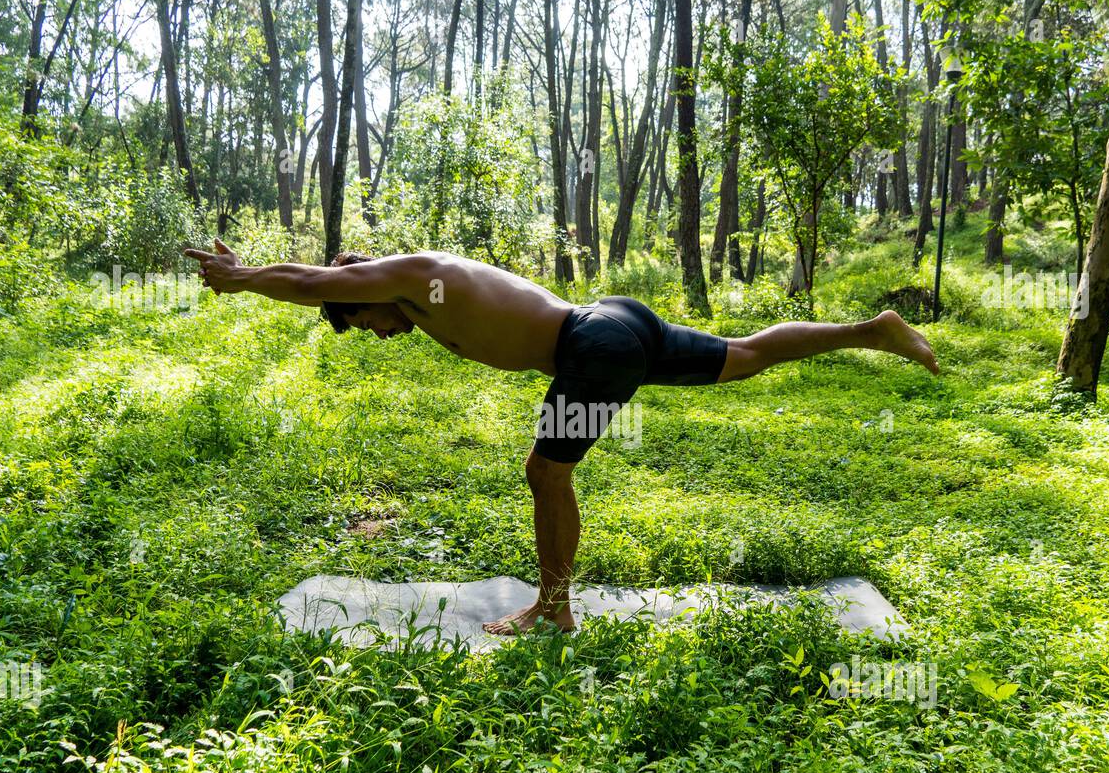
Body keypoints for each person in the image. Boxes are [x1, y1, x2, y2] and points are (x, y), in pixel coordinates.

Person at [184, 240, 939, 635]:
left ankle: (555, 606)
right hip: (614, 323)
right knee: (743, 356)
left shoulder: (408, 274)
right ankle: (871, 331)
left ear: (364, 296)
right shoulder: (423, 285)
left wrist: (244, 277)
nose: (378, 335)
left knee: (546, 475)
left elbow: (315, 284)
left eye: (363, 324)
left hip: (595, 347)